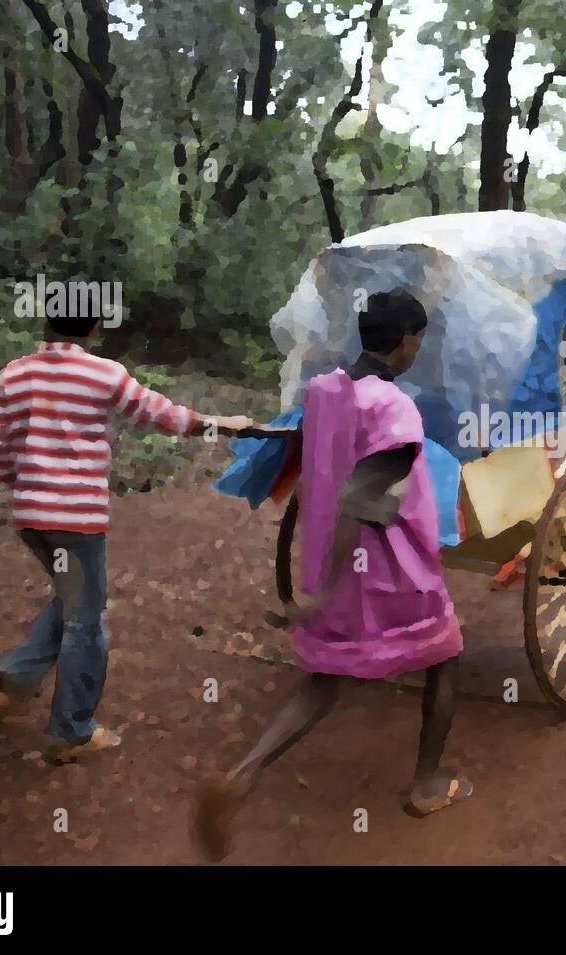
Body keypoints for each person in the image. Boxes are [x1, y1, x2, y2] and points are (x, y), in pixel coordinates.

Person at [192, 290, 471, 862]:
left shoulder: (327, 392)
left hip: (332, 564)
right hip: (388, 570)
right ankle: (425, 786)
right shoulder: (394, 409)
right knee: (446, 659)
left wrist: (314, 579)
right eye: (419, 338)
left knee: (324, 680)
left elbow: (309, 481)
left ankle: (242, 775)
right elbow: (360, 501)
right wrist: (322, 593)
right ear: (408, 340)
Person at [0, 303, 252, 756]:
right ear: (94, 327)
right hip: (77, 521)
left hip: (32, 518)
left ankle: (10, 682)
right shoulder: (103, 374)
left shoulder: (15, 374)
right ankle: (72, 731)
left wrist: (20, 485)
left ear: (46, 322)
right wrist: (226, 425)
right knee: (86, 621)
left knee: (72, 598)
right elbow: (164, 415)